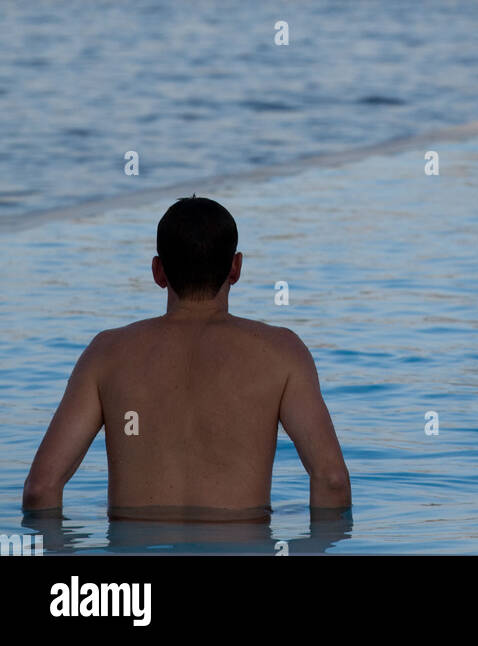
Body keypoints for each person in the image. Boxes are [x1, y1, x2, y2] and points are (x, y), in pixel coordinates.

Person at [22, 196, 350, 522]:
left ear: (158, 271)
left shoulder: (106, 353)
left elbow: (41, 488)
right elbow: (331, 481)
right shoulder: (282, 352)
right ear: (235, 268)